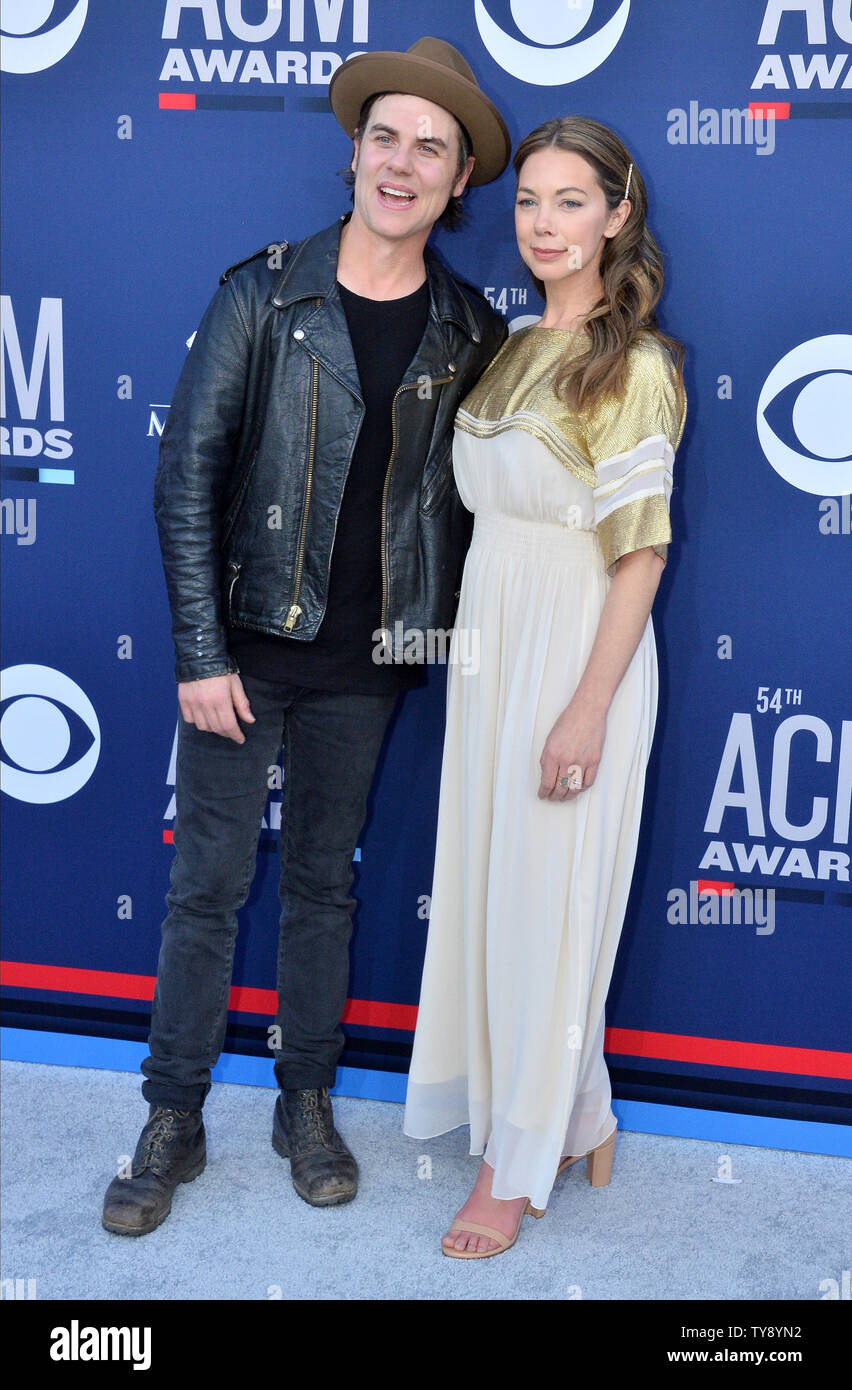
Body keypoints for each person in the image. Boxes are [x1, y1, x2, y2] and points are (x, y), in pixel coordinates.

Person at [101, 37, 510, 1236]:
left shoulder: (468, 329)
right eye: (386, 136)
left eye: (431, 146)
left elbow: (475, 505)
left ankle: (307, 1101)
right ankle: (171, 1112)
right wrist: (197, 653)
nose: (403, 160)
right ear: (353, 153)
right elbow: (188, 479)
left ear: (456, 182)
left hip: (372, 665)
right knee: (208, 888)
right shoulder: (261, 290)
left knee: (325, 886)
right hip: (242, 650)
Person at [403, 116, 687, 1258]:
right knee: (503, 898)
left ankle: (515, 1167)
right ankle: (579, 1115)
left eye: (572, 202)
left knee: (548, 908)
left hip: (581, 652)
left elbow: (644, 553)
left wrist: (584, 706)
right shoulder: (510, 346)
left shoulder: (642, 365)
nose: (545, 225)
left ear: (619, 215)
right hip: (492, 645)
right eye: (529, 202)